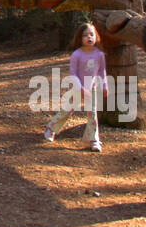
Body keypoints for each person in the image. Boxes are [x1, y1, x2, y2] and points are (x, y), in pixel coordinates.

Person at [43, 23, 107, 152]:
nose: (89, 37)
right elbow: (73, 73)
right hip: (77, 88)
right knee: (68, 110)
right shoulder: (77, 55)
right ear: (79, 38)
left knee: (92, 113)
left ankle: (93, 140)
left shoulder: (100, 54)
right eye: (85, 35)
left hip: (92, 88)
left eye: (91, 34)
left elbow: (102, 72)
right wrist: (80, 88)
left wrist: (105, 86)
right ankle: (51, 128)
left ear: (96, 37)